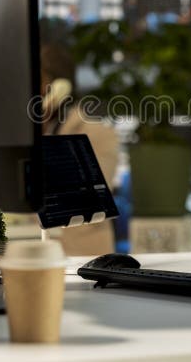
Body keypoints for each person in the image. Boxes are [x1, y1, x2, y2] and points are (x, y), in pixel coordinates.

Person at [40, 43, 119, 256]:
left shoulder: (97, 132)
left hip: (83, 254)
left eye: (37, 79)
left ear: (59, 85)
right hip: (41, 252)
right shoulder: (32, 131)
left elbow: (92, 197)